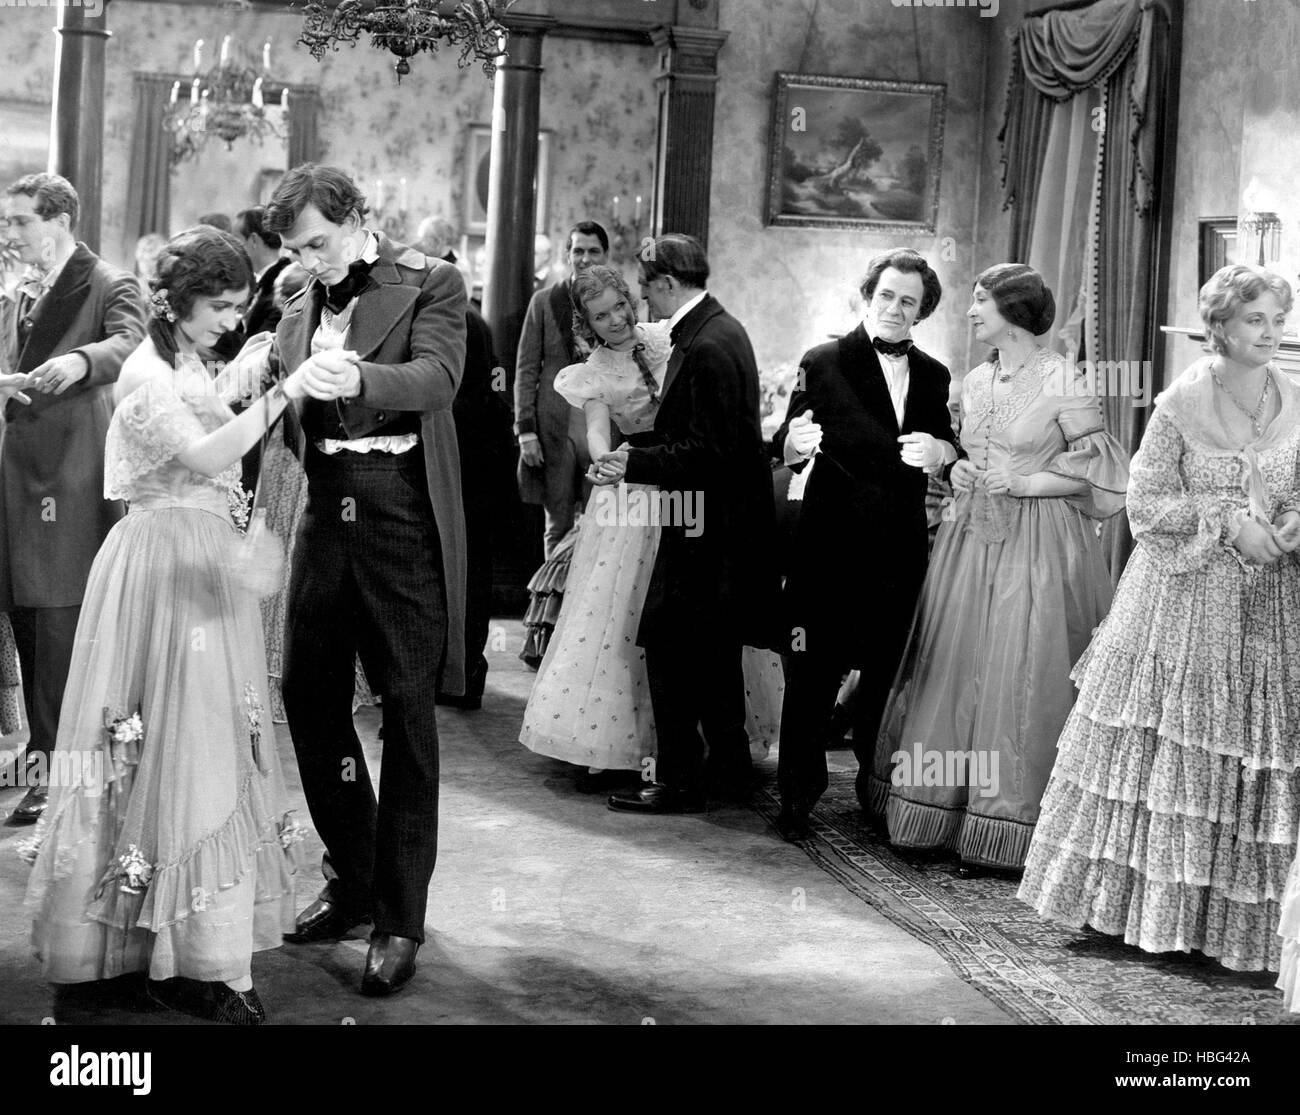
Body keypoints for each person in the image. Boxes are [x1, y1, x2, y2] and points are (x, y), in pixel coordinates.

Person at [19, 226, 315, 1023]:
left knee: (205, 743)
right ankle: (158, 954)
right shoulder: (147, 374)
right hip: (165, 569)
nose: (229, 318)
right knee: (162, 743)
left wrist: (253, 375)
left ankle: (190, 952)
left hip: (200, 561)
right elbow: (212, 455)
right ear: (178, 303)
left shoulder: (185, 360)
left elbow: (215, 438)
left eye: (235, 304)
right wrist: (282, 394)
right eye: (218, 306)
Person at [1019, 264, 1300, 972]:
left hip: (1268, 602)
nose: (1270, 333)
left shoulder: (1297, 399)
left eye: (1277, 319)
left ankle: (1237, 928)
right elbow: (1143, 507)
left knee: (1250, 749)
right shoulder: (1180, 402)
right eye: (1255, 320)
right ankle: (1142, 912)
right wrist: (1227, 522)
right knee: (1173, 748)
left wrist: (1286, 529)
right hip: (1181, 598)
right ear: (1222, 328)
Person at [264, 164, 467, 997]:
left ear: (360, 218)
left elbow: (439, 378)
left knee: (407, 715)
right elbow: (279, 407)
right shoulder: (296, 303)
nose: (308, 260)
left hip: (398, 515)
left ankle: (399, 916)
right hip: (323, 511)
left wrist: (360, 377)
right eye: (294, 248)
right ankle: (352, 877)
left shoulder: (432, 282)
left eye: (318, 241)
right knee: (308, 699)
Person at [868, 264, 1128, 870]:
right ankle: (945, 809)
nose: (969, 311)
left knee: (1022, 668)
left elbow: (1100, 466)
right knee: (959, 668)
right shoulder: (975, 380)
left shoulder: (1063, 378)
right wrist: (953, 466)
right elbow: (965, 450)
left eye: (980, 301)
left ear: (1012, 310)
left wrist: (1025, 480)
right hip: (970, 539)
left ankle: (1011, 819)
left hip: (1040, 543)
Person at [520, 265, 784, 778]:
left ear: (632, 299)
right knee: (631, 615)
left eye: (620, 306)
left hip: (690, 482)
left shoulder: (674, 337)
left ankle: (715, 742)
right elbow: (598, 430)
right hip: (635, 490)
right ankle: (635, 742)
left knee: (698, 619)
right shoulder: (592, 370)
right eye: (601, 316)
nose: (616, 320)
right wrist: (605, 462)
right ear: (586, 324)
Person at [771, 248, 959, 840]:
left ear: (922, 310)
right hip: (829, 544)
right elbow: (786, 436)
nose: (895, 309)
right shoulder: (823, 360)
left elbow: (949, 445)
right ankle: (797, 797)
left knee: (884, 678)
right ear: (866, 296)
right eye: (886, 296)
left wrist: (944, 453)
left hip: (898, 548)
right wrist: (794, 444)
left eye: (909, 300)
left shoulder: (934, 374)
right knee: (811, 676)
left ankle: (874, 793)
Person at [604, 235, 781, 814]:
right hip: (717, 526)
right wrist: (642, 447)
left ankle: (678, 781)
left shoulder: (707, 344)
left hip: (707, 529)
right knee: (711, 656)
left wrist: (636, 461)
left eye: (645, 285)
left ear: (667, 283)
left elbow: (709, 451)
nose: (641, 299)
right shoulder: (717, 330)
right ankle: (727, 772)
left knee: (672, 648)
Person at [0, 173, 147, 825]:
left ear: (59, 220)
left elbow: (133, 340)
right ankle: (39, 748)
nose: (11, 232)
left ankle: (60, 768)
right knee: (26, 616)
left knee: (59, 617)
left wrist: (85, 361)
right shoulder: (17, 288)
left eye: (21, 220)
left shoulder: (107, 281)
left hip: (71, 468)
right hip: (17, 466)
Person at [514, 221, 609, 559]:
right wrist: (525, 431)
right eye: (577, 250)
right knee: (558, 522)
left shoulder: (619, 305)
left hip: (600, 423)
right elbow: (526, 369)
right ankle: (551, 605)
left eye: (593, 251)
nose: (584, 258)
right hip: (554, 423)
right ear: (567, 255)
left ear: (605, 256)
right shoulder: (543, 301)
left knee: (598, 519)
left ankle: (584, 605)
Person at [234, 206, 289, 337]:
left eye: (236, 240)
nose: (232, 249)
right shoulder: (262, 280)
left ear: (253, 240)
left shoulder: (285, 285)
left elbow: (262, 341)